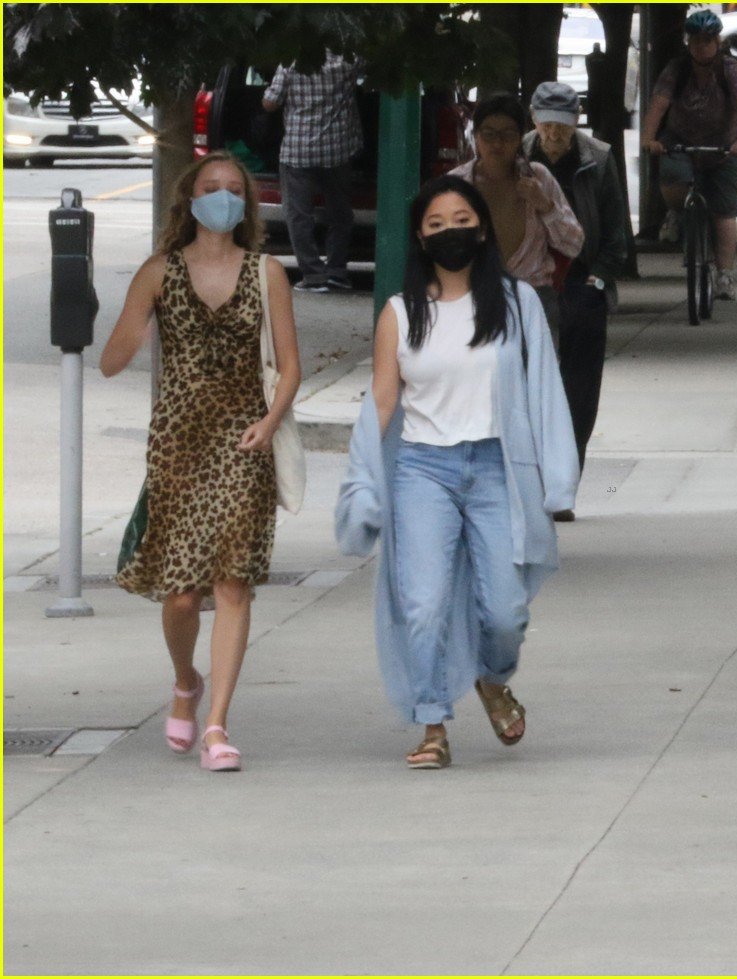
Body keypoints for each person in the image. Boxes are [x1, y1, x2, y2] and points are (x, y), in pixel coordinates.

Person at [335, 175, 579, 770]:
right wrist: (364, 480)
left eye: (462, 221)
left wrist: (557, 478)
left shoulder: (517, 304)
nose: (452, 233)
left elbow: (546, 390)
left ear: (483, 229)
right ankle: (431, 723)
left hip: (496, 467)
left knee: (504, 611)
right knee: (423, 604)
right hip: (423, 471)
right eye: (437, 225)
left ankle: (493, 679)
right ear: (420, 237)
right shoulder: (399, 312)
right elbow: (383, 402)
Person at [100, 151, 301, 773]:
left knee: (233, 584)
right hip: (178, 445)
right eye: (211, 187)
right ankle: (185, 680)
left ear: (247, 202)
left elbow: (291, 364)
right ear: (190, 198)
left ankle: (216, 722)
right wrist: (103, 320)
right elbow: (113, 358)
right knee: (182, 596)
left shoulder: (267, 273)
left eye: (233, 188)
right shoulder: (159, 271)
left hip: (243, 440)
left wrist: (268, 425)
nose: (222, 197)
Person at [524, 81, 628, 518]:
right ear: (533, 120)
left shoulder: (598, 158)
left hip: (582, 280)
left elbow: (616, 231)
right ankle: (531, 486)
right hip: (530, 281)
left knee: (579, 392)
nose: (554, 135)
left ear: (576, 122)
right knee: (530, 387)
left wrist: (599, 280)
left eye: (562, 127)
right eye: (547, 125)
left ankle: (564, 487)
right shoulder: (515, 155)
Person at [640, 9, 737, 301]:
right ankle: (678, 214)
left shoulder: (730, 69)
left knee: (723, 212)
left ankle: (725, 275)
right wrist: (649, 138)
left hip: (724, 147)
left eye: (707, 41)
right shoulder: (677, 69)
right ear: (687, 43)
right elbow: (658, 104)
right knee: (674, 180)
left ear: (717, 42)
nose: (701, 46)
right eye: (695, 41)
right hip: (681, 141)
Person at [451, 93, 584, 341]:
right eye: (488, 134)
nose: (497, 144)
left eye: (508, 135)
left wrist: (545, 205)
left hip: (534, 299)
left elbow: (574, 243)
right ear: (476, 136)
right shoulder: (456, 186)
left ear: (521, 137)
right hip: (471, 298)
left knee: (534, 376)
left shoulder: (539, 178)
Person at [262, 51, 362, 293]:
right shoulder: (350, 59)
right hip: (337, 149)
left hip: (298, 149)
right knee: (339, 213)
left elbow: (270, 103)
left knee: (298, 215)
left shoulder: (291, 60)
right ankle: (337, 271)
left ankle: (313, 275)